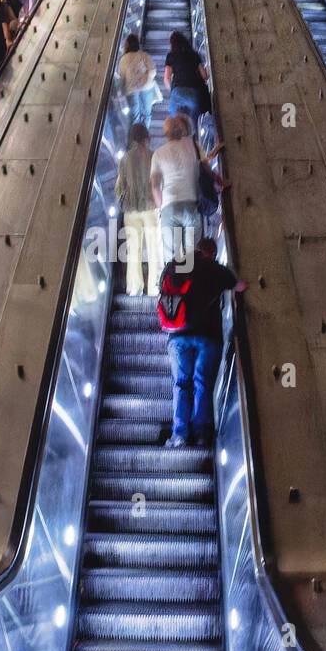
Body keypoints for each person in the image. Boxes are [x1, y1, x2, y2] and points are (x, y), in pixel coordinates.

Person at [159, 237, 245, 447]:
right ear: (213, 253)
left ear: (196, 250)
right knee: (202, 383)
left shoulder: (175, 266)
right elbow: (240, 286)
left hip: (178, 335)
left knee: (181, 384)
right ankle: (201, 434)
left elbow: (162, 292)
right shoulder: (216, 269)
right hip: (208, 336)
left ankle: (179, 434)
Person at [116, 123, 162, 297]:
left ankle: (134, 288)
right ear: (146, 138)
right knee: (154, 249)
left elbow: (119, 188)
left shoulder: (124, 159)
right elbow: (158, 183)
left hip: (130, 210)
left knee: (133, 250)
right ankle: (154, 288)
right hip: (150, 209)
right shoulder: (153, 156)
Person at [150, 114, 203, 266]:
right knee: (192, 255)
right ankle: (192, 285)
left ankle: (173, 286)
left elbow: (155, 186)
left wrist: (161, 208)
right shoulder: (192, 145)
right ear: (180, 129)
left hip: (169, 206)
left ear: (165, 134)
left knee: (172, 255)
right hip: (191, 205)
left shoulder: (158, 154)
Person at [164, 30, 210, 124]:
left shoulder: (171, 55)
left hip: (177, 91)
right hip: (193, 92)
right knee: (193, 124)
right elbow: (204, 76)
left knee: (174, 124)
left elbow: (166, 79)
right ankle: (193, 136)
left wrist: (172, 90)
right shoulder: (194, 55)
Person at [118, 33, 160, 129]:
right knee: (147, 114)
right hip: (146, 88)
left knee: (134, 117)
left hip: (131, 90)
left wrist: (122, 93)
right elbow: (153, 71)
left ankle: (136, 140)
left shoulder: (123, 59)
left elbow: (122, 77)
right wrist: (145, 79)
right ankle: (145, 137)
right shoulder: (144, 55)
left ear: (127, 45)